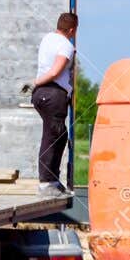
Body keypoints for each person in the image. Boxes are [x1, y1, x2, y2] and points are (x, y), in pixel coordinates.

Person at [32, 12, 77, 194]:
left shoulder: (48, 38)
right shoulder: (66, 45)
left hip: (43, 94)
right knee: (52, 137)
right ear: (72, 30)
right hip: (52, 93)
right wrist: (34, 82)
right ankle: (46, 183)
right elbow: (55, 72)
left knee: (59, 136)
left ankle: (54, 181)